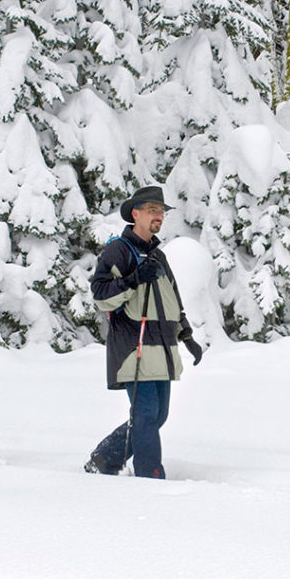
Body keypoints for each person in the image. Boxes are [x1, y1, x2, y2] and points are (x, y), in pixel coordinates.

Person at [83, 185, 204, 479]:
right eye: (152, 210)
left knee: (156, 416)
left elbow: (172, 300)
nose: (158, 216)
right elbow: (101, 295)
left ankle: (104, 458)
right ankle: (150, 477)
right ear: (135, 214)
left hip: (161, 349)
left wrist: (186, 336)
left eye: (161, 211)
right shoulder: (119, 250)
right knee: (147, 416)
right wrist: (134, 279)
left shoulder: (158, 257)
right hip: (133, 349)